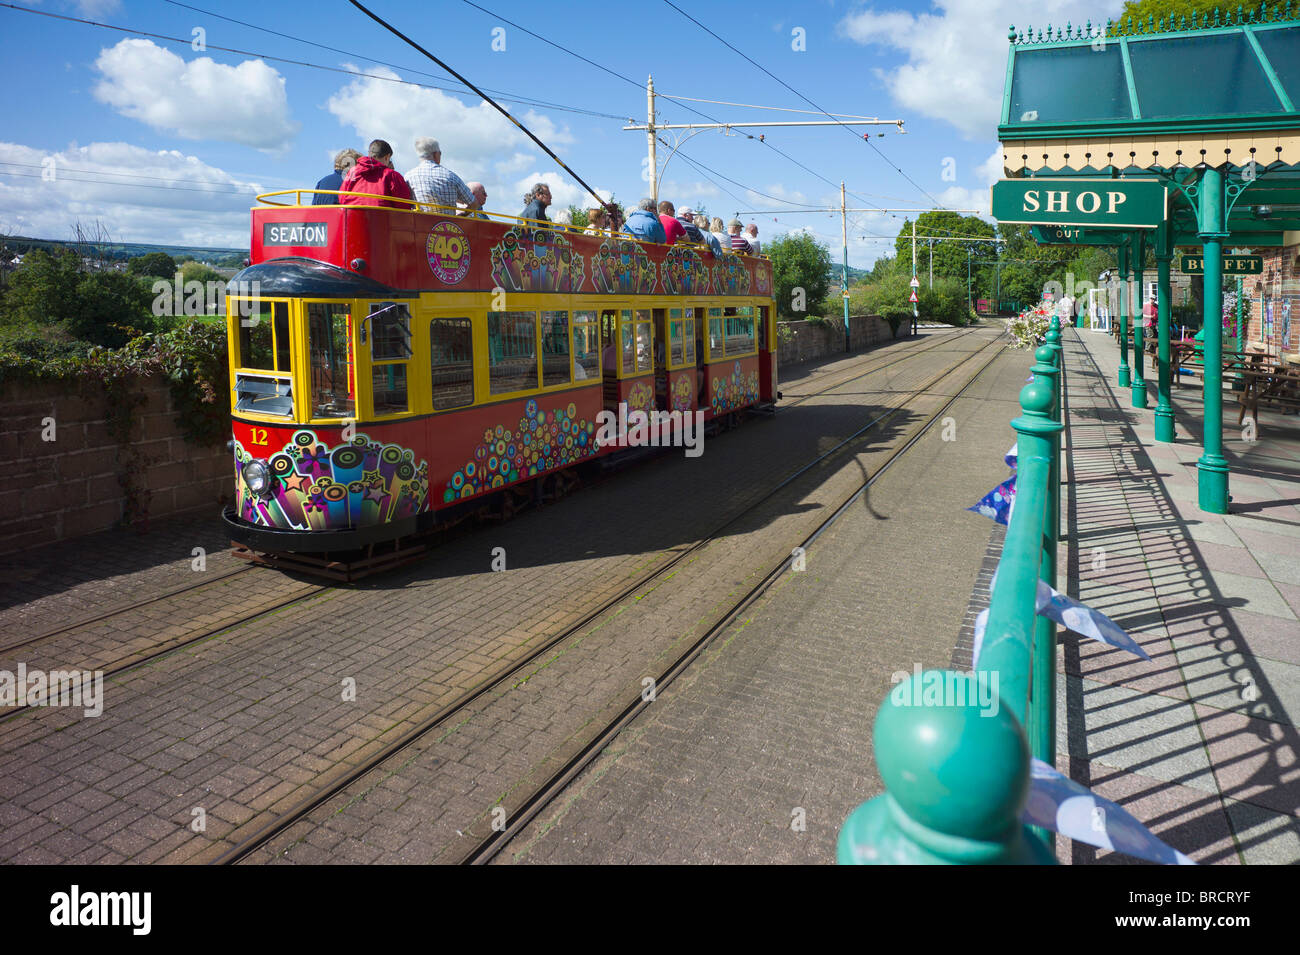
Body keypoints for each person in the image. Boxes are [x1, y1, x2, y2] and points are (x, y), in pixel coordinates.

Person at [339, 139, 414, 209]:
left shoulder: (352, 171)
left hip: (352, 218)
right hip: (382, 220)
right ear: (387, 157)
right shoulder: (392, 175)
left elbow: (342, 198)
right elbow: (403, 205)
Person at [405, 137, 473, 212]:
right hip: (448, 222)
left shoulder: (408, 177)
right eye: (440, 153)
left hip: (420, 222)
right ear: (436, 154)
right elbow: (473, 203)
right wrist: (463, 215)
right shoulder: (451, 176)